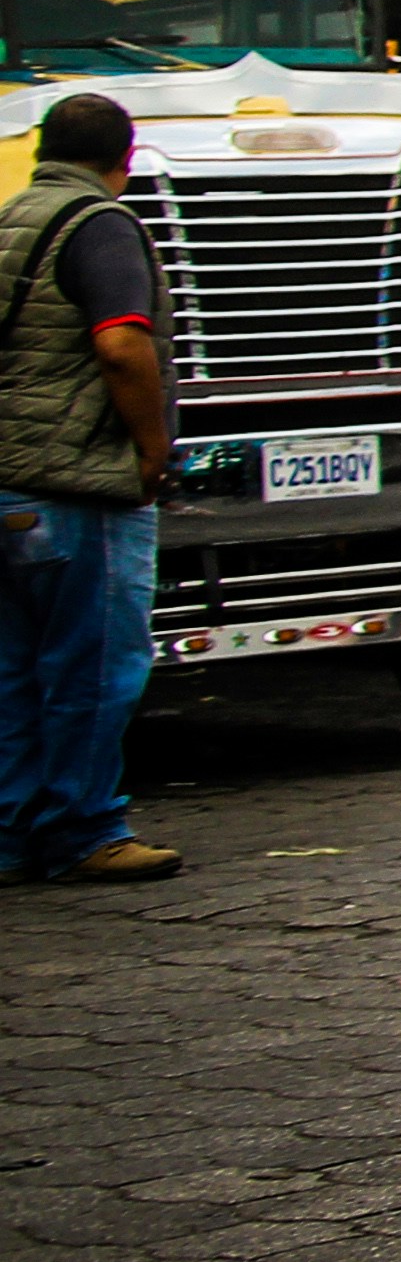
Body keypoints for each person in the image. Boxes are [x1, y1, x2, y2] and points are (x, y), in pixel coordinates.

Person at [0, 91, 180, 885]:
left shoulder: (11, 221)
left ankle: (11, 836)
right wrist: (149, 451)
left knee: (13, 676)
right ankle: (86, 829)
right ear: (125, 160)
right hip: (79, 485)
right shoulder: (100, 226)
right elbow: (120, 348)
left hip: (10, 486)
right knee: (94, 670)